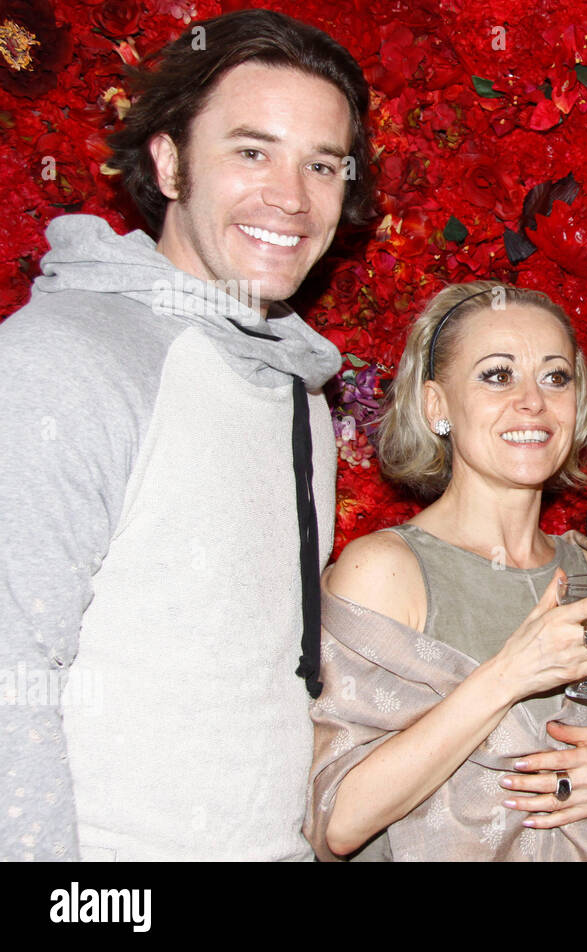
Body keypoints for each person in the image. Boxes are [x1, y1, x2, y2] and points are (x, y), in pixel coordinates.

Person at [0, 10, 373, 861]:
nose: (291, 195)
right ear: (169, 162)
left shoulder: (298, 399)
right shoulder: (62, 362)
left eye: (321, 164)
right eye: (252, 151)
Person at [304, 281, 587, 861]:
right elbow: (337, 822)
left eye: (556, 377)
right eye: (497, 374)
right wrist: (512, 671)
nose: (533, 401)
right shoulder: (386, 569)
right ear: (437, 406)